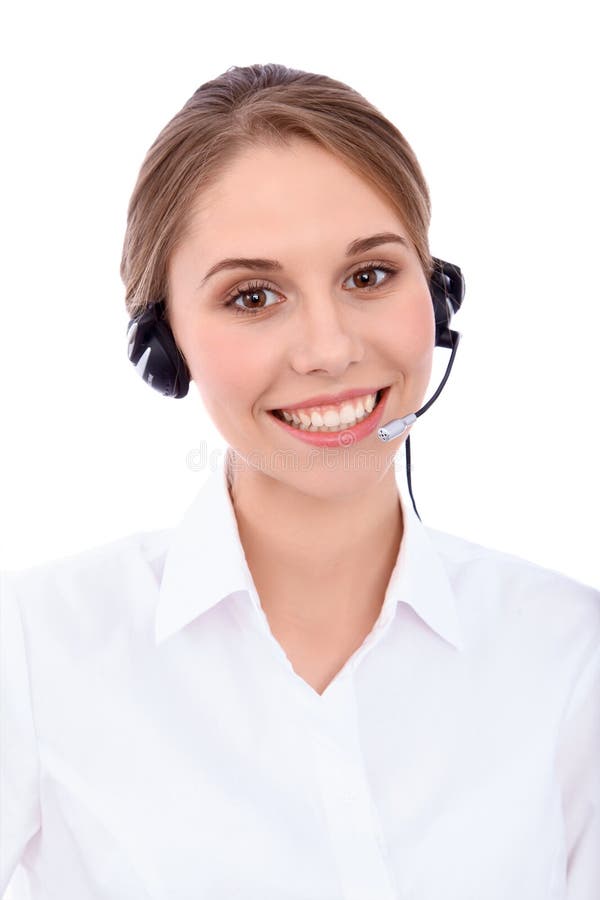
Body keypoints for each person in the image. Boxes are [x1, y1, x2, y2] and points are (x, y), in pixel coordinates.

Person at [1, 63, 598, 900]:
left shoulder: (572, 655)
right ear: (162, 349)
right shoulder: (33, 649)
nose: (328, 348)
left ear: (438, 297)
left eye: (369, 276)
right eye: (253, 296)